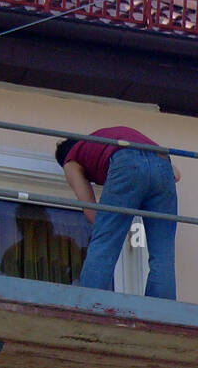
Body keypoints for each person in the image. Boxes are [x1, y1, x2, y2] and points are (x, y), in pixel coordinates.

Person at [56, 128, 181, 300]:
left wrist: (118, 219)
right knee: (163, 251)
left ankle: (88, 302)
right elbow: (176, 174)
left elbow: (92, 214)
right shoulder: (104, 138)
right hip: (162, 163)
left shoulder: (70, 159)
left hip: (126, 161)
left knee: (104, 242)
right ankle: (163, 310)